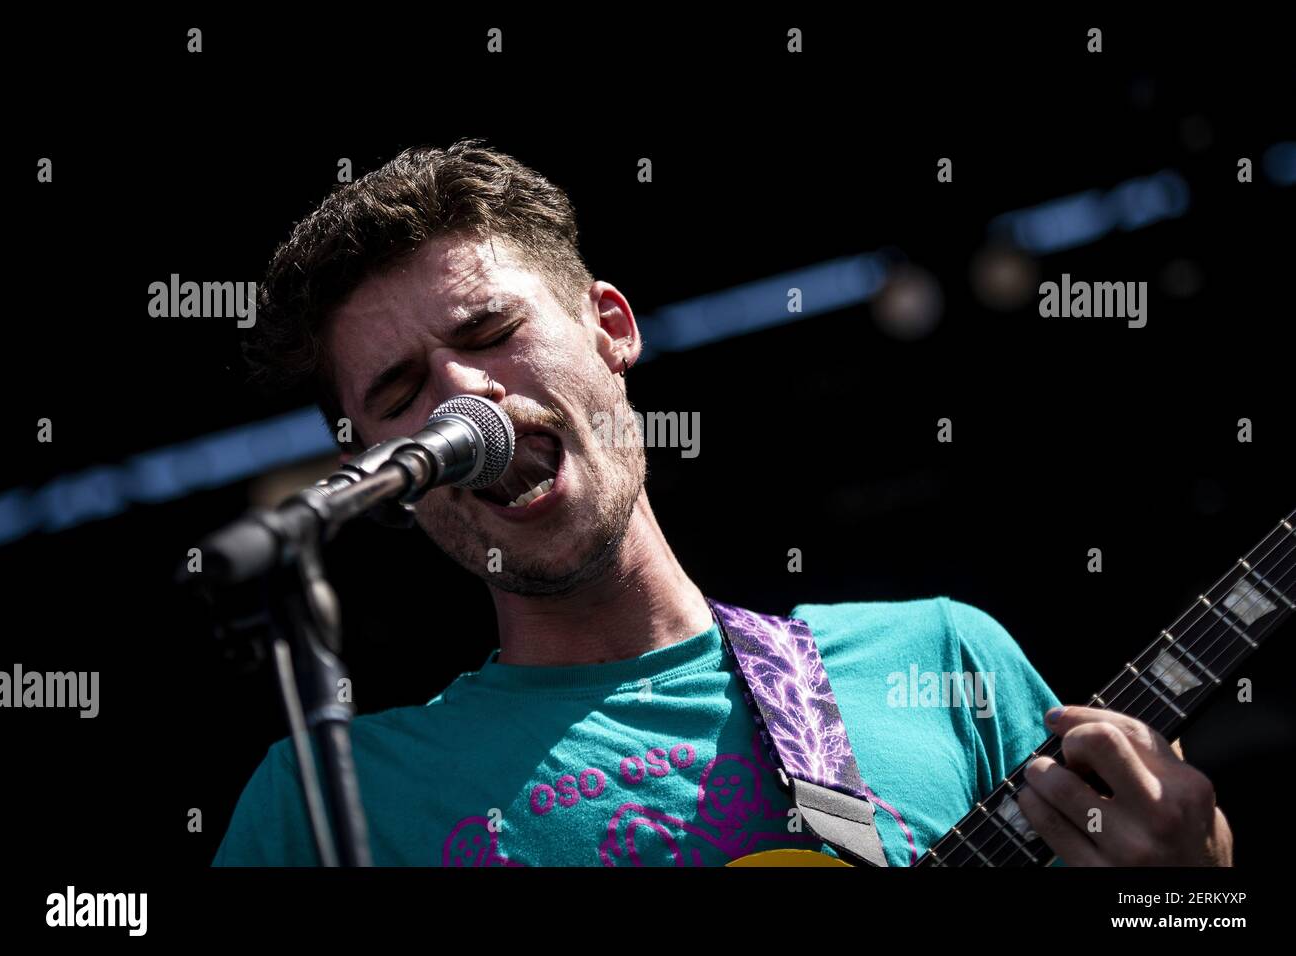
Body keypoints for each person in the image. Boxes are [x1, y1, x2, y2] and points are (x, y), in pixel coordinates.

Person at [213, 139, 1232, 867]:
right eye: (399, 394)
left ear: (609, 325)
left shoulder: (942, 656)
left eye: (488, 331)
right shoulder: (321, 804)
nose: (459, 395)